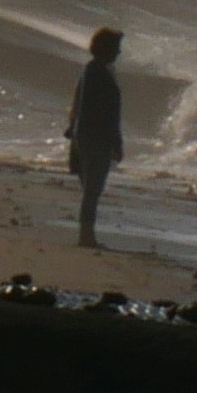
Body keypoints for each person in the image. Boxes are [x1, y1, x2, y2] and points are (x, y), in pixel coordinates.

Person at [67, 26, 125, 250]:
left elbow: (78, 105)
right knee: (93, 188)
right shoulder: (97, 72)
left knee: (92, 188)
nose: (118, 53)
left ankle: (87, 234)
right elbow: (105, 112)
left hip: (88, 135)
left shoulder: (93, 70)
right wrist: (116, 141)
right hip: (95, 137)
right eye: (116, 48)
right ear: (105, 48)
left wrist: (74, 129)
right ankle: (86, 237)